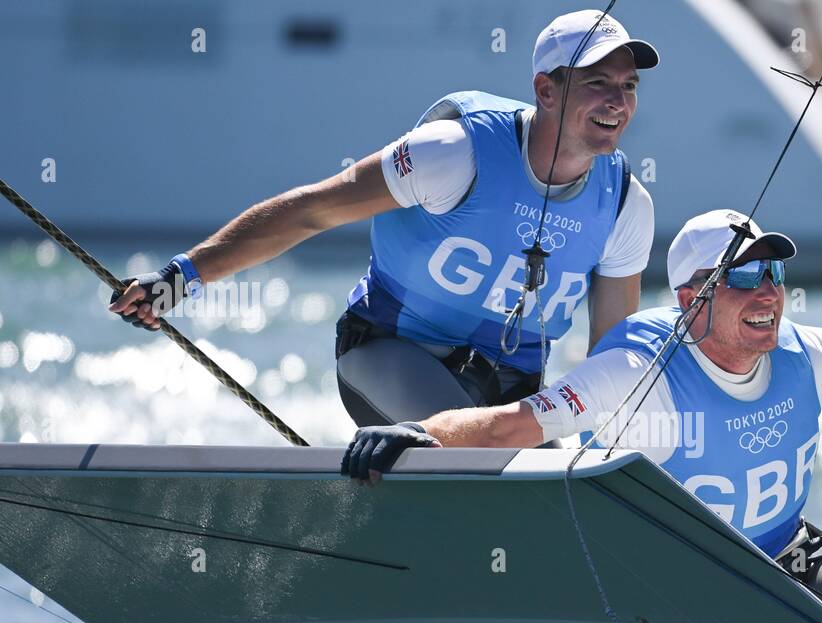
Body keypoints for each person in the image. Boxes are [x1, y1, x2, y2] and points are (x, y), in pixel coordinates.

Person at [342, 208, 822, 623]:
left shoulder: (809, 353)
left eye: (772, 272)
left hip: (790, 564)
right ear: (691, 300)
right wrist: (421, 434)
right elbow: (514, 423)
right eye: (742, 277)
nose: (767, 291)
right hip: (668, 585)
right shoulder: (636, 369)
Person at [108, 10, 659, 424]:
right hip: (390, 357)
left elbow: (611, 359)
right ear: (545, 89)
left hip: (505, 393)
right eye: (597, 83)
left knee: (558, 490)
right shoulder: (453, 152)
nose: (618, 101)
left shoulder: (625, 204)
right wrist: (183, 275)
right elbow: (311, 211)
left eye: (628, 86)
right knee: (470, 458)